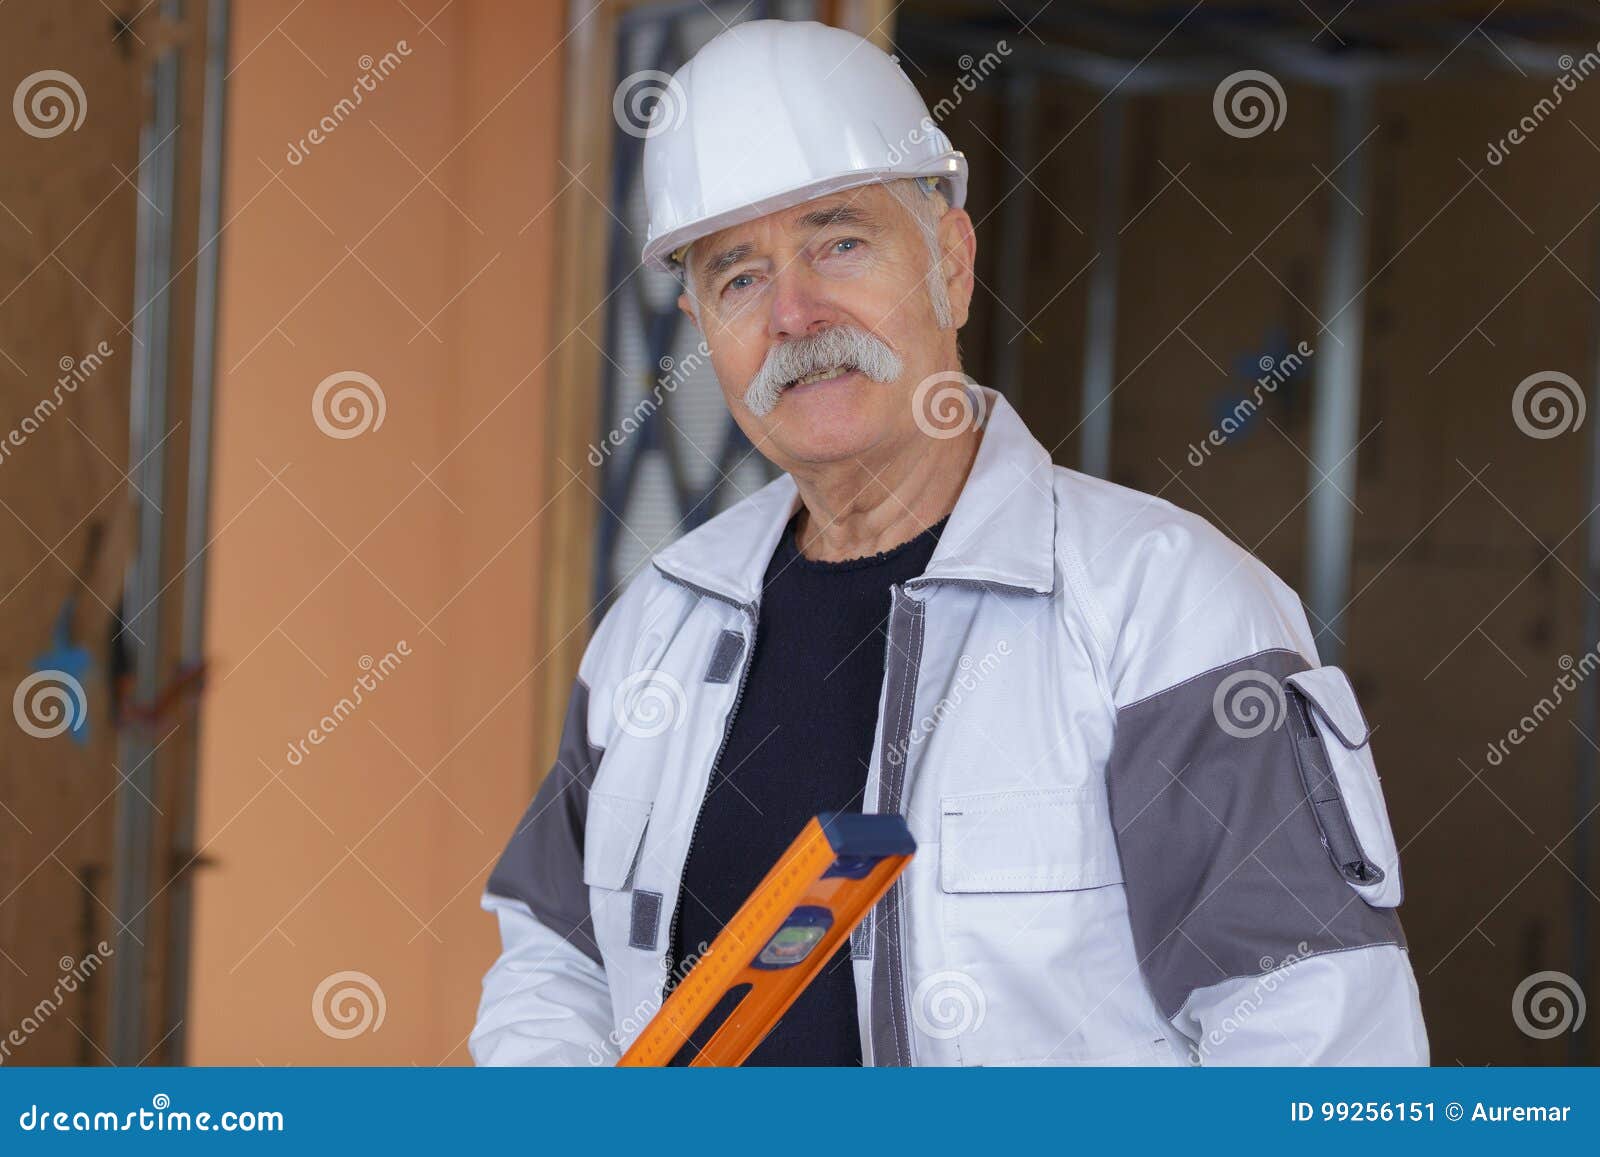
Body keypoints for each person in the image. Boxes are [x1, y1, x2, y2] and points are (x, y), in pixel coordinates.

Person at [470, 18, 1428, 1067]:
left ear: (951, 264)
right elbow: (555, 961)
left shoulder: (1165, 609)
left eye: (840, 240)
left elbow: (1316, 1043)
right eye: (738, 276)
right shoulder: (660, 619)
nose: (794, 311)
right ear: (703, 324)